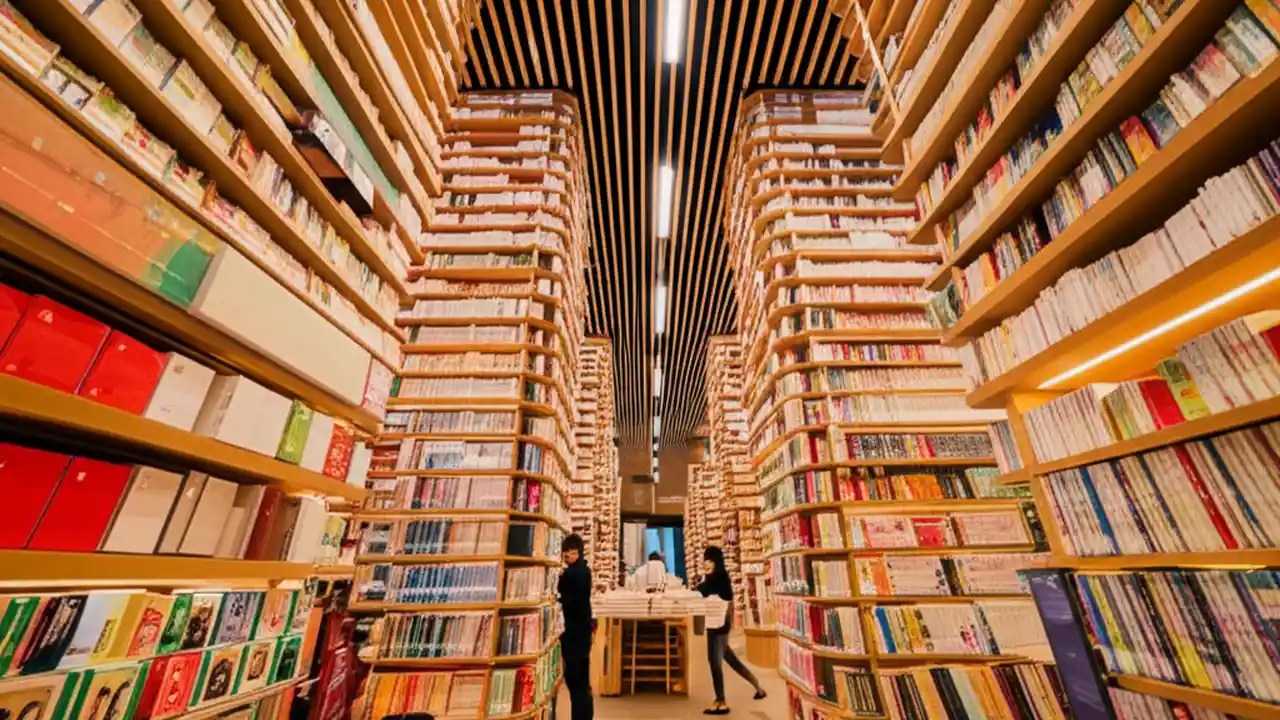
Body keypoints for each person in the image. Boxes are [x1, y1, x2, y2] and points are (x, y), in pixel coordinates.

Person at [696, 546, 765, 715]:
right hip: (722, 623)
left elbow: (704, 590)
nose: (705, 562)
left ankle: (721, 700)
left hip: (716, 624)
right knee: (730, 659)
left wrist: (702, 582)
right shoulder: (720, 575)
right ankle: (758, 686)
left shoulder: (717, 576)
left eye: (707, 559)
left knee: (714, 662)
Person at [558, 534, 594, 720]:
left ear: (576, 551)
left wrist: (559, 590)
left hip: (575, 633)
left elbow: (570, 601)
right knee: (582, 681)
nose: (566, 556)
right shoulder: (583, 570)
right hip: (582, 632)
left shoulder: (574, 573)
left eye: (568, 552)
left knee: (575, 680)